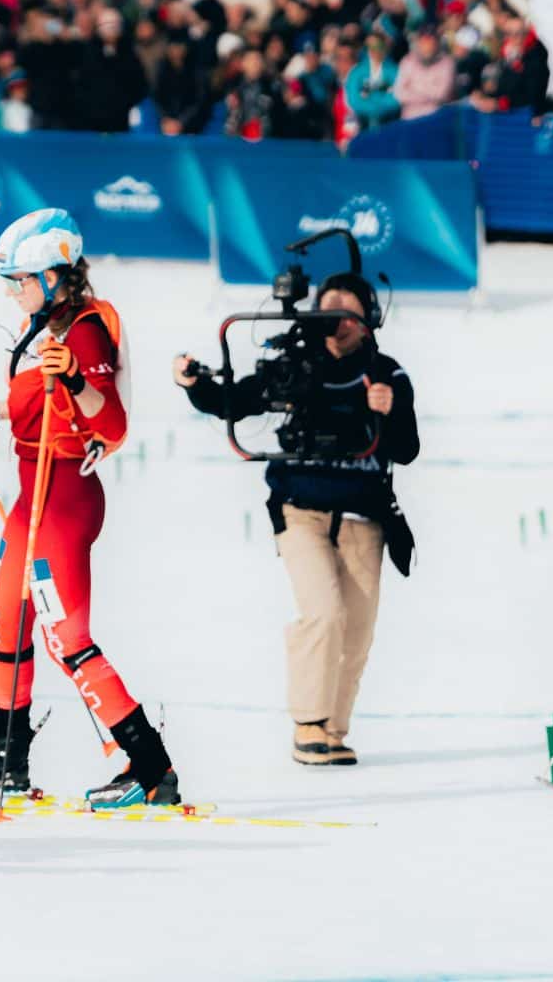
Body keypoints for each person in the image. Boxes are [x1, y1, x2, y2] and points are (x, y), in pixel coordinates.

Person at [0, 209, 182, 809]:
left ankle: (151, 770)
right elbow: (30, 393)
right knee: (7, 620)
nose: (11, 290)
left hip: (65, 497)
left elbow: (110, 419)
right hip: (33, 493)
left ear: (52, 276)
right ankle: (6, 759)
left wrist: (75, 378)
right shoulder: (45, 324)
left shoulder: (84, 332)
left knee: (67, 639)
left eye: (19, 279)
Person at [173, 269, 418, 765]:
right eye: (328, 310)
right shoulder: (294, 365)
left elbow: (407, 449)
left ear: (368, 319)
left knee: (356, 629)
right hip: (300, 509)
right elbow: (233, 402)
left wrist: (388, 412)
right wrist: (195, 384)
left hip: (363, 514)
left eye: (347, 311)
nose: (337, 321)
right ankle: (307, 722)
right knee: (323, 612)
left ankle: (331, 728)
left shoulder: (387, 374)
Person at [391, 28, 451, 121]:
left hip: (435, 118)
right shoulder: (407, 61)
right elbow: (399, 94)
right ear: (418, 43)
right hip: (410, 118)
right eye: (424, 42)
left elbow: (441, 94)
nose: (428, 46)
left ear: (437, 43)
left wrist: (413, 90)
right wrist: (429, 94)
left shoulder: (447, 63)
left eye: (431, 42)